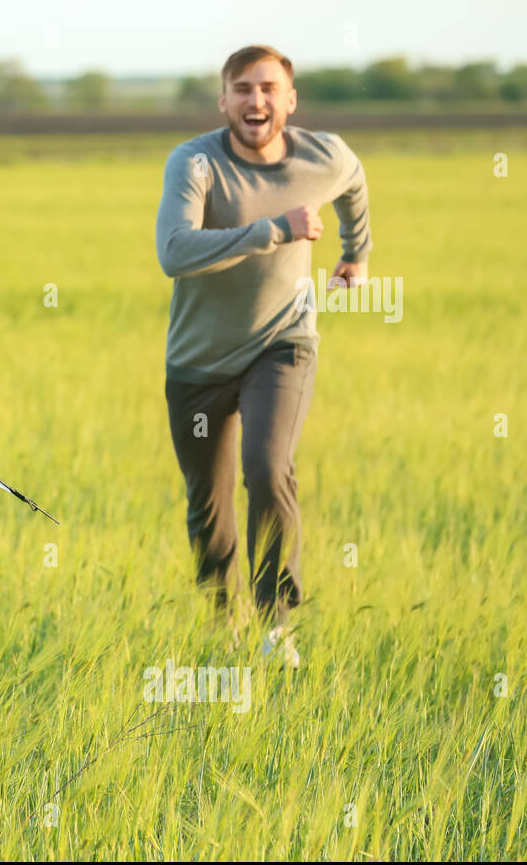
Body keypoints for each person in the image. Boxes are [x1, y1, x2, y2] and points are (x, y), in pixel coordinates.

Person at [155, 44, 373, 668]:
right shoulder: (194, 163)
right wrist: (276, 229)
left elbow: (354, 180)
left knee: (268, 465)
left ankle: (277, 626)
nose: (257, 101)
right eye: (243, 89)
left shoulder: (322, 155)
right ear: (223, 100)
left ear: (291, 100)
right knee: (208, 503)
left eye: (269, 88)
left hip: (282, 344)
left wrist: (357, 252)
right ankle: (224, 624)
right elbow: (174, 251)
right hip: (197, 361)